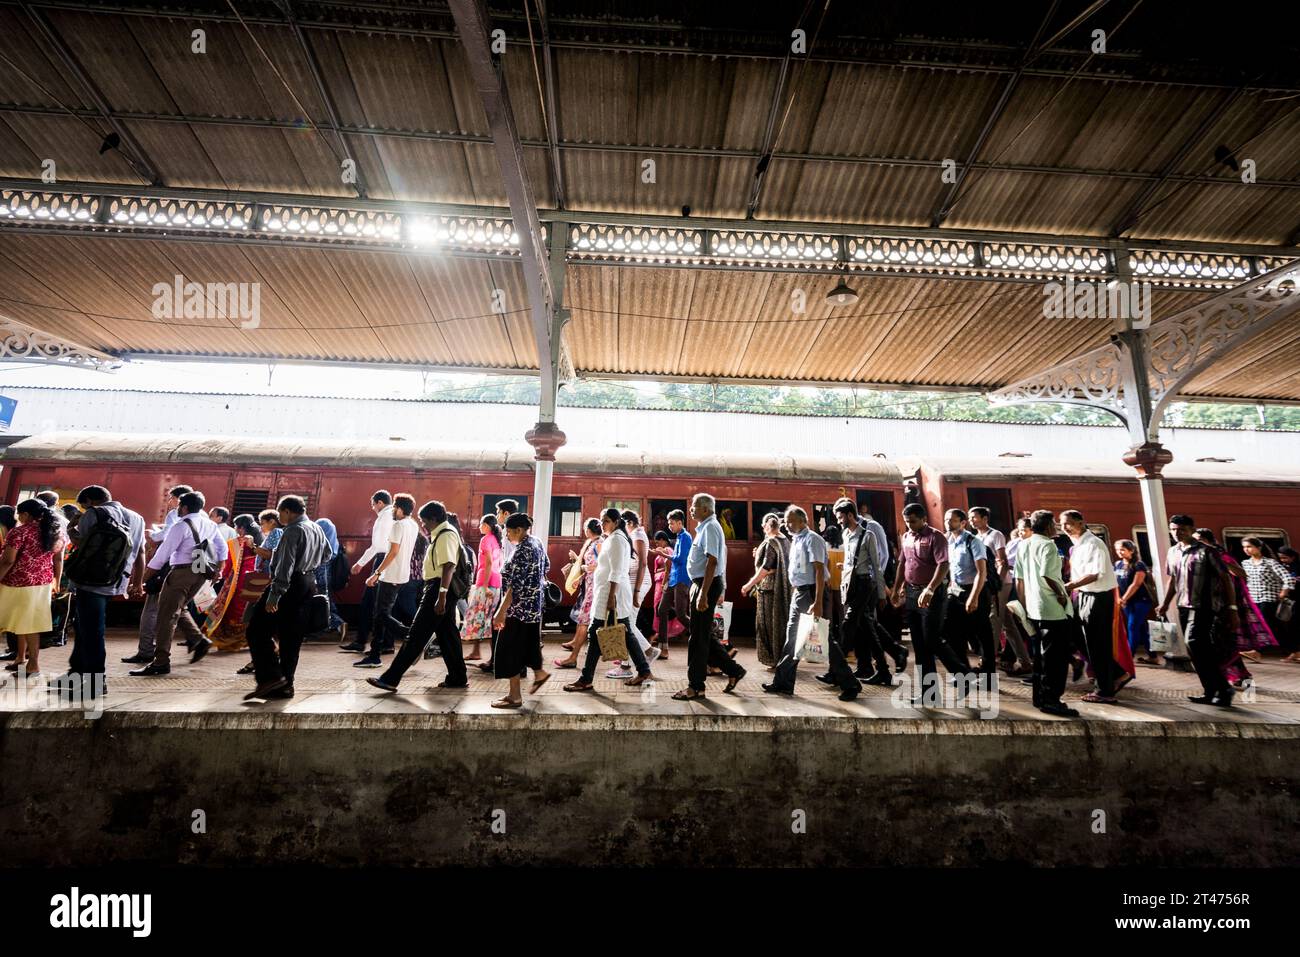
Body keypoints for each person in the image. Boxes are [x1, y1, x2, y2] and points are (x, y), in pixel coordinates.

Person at [366, 500, 470, 694]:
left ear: (434, 518)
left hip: (438, 590)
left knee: (416, 636)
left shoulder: (446, 535)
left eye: (424, 521)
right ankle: (458, 677)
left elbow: (449, 566)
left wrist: (441, 597)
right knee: (448, 636)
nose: (422, 524)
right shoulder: (441, 533)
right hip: (438, 589)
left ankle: (390, 678)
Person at [56, 486, 146, 700]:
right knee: (84, 627)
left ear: (89, 501)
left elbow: (81, 544)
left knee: (93, 631)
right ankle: (75, 674)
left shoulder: (93, 514)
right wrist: (138, 582)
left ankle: (97, 681)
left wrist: (71, 528)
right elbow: (140, 551)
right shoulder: (138, 518)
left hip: (91, 581)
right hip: (117, 579)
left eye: (83, 505)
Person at [763, 505, 858, 701]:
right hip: (800, 593)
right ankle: (784, 683)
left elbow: (819, 571)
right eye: (785, 522)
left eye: (790, 522)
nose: (786, 525)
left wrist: (817, 602)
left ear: (802, 520)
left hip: (812, 592)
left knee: (823, 639)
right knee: (792, 639)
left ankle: (850, 683)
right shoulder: (796, 540)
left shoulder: (812, 539)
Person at [131, 490, 228, 676]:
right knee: (180, 608)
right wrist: (219, 570)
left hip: (182, 572)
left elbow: (162, 556)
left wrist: (141, 580)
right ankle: (198, 640)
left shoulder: (180, 526)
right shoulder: (209, 524)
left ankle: (161, 662)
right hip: (201, 573)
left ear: (183, 507)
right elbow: (222, 548)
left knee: (165, 617)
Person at [242, 496, 330, 700]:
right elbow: (328, 553)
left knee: (256, 630)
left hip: (289, 585)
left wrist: (275, 594)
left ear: (288, 511)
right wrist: (310, 563)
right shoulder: (316, 527)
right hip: (308, 583)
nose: (280, 517)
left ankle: (270, 678)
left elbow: (285, 566)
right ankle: (286, 685)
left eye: (281, 512)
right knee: (292, 636)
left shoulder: (292, 530)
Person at [565, 508, 654, 692]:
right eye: (601, 520)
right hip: (608, 593)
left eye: (605, 520)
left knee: (596, 632)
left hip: (610, 595)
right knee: (625, 634)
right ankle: (643, 670)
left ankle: (586, 678)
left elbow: (617, 571)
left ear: (615, 521)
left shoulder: (617, 540)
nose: (602, 523)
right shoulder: (614, 538)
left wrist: (611, 597)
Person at [1156, 515, 1239, 707]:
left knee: (1193, 641)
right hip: (1183, 606)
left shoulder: (1207, 551)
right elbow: (1172, 579)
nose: (1177, 533)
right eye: (1174, 529)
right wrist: (1165, 603)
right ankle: (1211, 691)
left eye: (1182, 529)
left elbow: (1226, 578)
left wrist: (1232, 608)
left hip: (1205, 606)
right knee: (1196, 649)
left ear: (1192, 529)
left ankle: (1223, 688)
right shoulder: (1173, 552)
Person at [891, 503, 970, 702]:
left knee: (931, 639)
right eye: (907, 522)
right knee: (919, 645)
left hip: (932, 595)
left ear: (923, 519)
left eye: (913, 521)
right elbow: (903, 563)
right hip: (911, 594)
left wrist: (930, 589)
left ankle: (962, 675)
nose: (909, 525)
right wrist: (896, 588)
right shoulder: (906, 536)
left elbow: (943, 564)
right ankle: (929, 693)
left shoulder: (936, 537)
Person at [672, 494, 744, 700]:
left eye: (694, 507)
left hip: (706, 584)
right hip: (701, 583)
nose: (691, 510)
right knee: (700, 633)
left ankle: (696, 686)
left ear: (705, 509)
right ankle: (733, 670)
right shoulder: (704, 527)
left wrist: (703, 593)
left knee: (698, 639)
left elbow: (713, 561)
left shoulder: (711, 527)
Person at [1013, 510, 1078, 717]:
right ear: (1049, 526)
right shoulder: (1048, 545)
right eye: (1054, 524)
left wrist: (1025, 605)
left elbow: (1019, 580)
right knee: (1055, 658)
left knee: (1040, 656)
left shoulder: (1024, 544)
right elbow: (1048, 575)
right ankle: (1052, 700)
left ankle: (1039, 697)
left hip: (1033, 607)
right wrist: (1060, 594)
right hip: (1052, 608)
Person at [1059, 510, 1128, 703]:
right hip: (1083, 595)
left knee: (1098, 644)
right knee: (1080, 639)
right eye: (1062, 524)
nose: (1065, 527)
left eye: (1069, 523)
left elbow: (1095, 573)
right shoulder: (1078, 545)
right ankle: (1117, 673)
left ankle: (1104, 691)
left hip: (1097, 597)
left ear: (1081, 523)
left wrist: (1069, 585)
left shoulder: (1094, 543)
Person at [122, 483, 192, 666]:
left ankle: (150, 653)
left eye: (172, 498)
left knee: (153, 611)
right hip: (187, 572)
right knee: (173, 611)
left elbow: (165, 543)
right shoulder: (203, 520)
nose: (170, 502)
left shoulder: (177, 517)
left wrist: (141, 579)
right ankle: (196, 640)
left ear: (180, 500)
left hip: (166, 568)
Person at [485, 512, 550, 707]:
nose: (506, 536)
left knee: (508, 648)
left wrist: (501, 611)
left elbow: (515, 586)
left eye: (508, 532)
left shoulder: (522, 550)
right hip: (534, 607)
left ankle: (514, 696)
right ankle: (539, 674)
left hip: (518, 609)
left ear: (519, 530)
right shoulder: (536, 542)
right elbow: (547, 566)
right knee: (528, 644)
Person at [832, 498, 897, 686]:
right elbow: (850, 562)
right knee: (868, 630)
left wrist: (882, 593)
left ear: (850, 515)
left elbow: (876, 566)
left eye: (840, 517)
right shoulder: (845, 535)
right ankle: (884, 671)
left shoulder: (869, 535)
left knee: (847, 625)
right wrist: (843, 567)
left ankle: (836, 671)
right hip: (851, 586)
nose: (839, 521)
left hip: (864, 585)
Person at [1194, 528, 1273, 683]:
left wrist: (1221, 562)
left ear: (1206, 541)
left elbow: (1241, 574)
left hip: (1225, 606)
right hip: (1209, 604)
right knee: (1218, 642)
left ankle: (1237, 675)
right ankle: (1235, 675)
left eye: (1198, 540)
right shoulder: (1199, 555)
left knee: (1224, 641)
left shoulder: (1221, 555)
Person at [0, 499, 64, 679]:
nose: (18, 518)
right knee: (26, 620)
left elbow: (8, 560)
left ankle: (33, 664)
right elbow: (58, 559)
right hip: (42, 582)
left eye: (19, 514)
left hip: (18, 583)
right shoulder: (56, 532)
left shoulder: (20, 532)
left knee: (28, 624)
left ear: (26, 514)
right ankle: (21, 658)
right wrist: (56, 581)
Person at [354, 493, 420, 667]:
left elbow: (392, 553)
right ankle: (376, 653)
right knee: (383, 614)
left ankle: (411, 636)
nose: (393, 510)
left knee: (381, 614)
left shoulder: (398, 525)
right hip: (402, 575)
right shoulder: (413, 525)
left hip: (390, 575)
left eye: (395, 507)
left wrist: (376, 573)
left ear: (399, 508)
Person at [606, 509, 658, 679]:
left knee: (627, 624)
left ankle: (628, 664)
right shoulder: (636, 534)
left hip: (639, 584)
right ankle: (646, 652)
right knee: (628, 623)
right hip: (634, 583)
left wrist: (635, 592)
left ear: (629, 523)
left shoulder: (637, 536)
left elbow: (643, 564)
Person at [942, 507, 994, 675]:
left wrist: (974, 597)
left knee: (982, 633)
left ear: (963, 523)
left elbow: (982, 572)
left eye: (951, 520)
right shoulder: (948, 541)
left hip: (976, 590)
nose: (947, 523)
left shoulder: (973, 541)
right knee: (953, 632)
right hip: (956, 591)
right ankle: (962, 670)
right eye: (946, 520)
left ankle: (988, 673)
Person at [341, 490, 394, 653]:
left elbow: (377, 546)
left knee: (369, 604)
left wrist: (360, 563)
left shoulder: (384, 517)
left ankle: (368, 641)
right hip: (387, 561)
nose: (373, 508)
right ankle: (382, 642)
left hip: (381, 560)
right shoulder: (393, 516)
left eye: (373, 505)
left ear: (380, 503)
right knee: (381, 605)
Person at [740, 513, 790, 668]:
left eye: (763, 524)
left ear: (770, 525)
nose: (762, 527)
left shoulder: (771, 542)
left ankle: (773, 659)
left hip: (769, 589)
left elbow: (766, 567)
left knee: (767, 625)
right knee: (781, 623)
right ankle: (782, 658)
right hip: (783, 589)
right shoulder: (785, 540)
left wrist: (749, 584)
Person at [555, 518, 602, 669]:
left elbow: (600, 565)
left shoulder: (598, 544)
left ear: (588, 530)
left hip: (595, 587)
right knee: (585, 620)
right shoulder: (593, 543)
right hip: (590, 585)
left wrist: (582, 568)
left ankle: (573, 658)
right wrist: (581, 577)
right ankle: (576, 654)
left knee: (583, 620)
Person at [462, 514, 503, 661]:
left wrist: (485, 586)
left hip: (486, 584)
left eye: (481, 524)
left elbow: (489, 563)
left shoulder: (486, 539)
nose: (479, 527)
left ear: (487, 526)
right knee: (488, 619)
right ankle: (481, 653)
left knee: (479, 619)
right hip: (496, 583)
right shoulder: (497, 539)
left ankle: (488, 656)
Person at [999, 516, 1036, 675]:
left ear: (1032, 530)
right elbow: (1005, 562)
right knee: (1014, 622)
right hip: (1014, 585)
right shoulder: (1014, 543)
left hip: (1030, 588)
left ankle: (1017, 660)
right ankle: (1015, 659)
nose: (1021, 533)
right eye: (1019, 530)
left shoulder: (1037, 545)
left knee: (1025, 624)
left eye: (1025, 530)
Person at [1115, 539, 1158, 665]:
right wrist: (1119, 598)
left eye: (1122, 550)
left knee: (1132, 627)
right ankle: (1153, 656)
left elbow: (1136, 584)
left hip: (1141, 601)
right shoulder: (1117, 565)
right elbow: (1115, 583)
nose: (1119, 552)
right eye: (1117, 550)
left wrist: (1124, 598)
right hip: (1126, 602)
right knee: (1141, 628)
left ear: (1131, 550)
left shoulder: (1139, 565)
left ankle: (1129, 656)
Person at [1241, 536, 1288, 643]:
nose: (1246, 549)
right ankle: (1292, 649)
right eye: (1244, 547)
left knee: (1267, 624)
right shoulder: (1245, 563)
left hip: (1269, 599)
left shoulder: (1271, 562)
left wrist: (1283, 592)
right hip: (1253, 599)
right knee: (1260, 625)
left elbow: (1287, 578)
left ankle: (1292, 649)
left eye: (1249, 546)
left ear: (1259, 547)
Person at [656, 509, 691, 641]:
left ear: (680, 523)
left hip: (681, 579)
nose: (669, 526)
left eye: (671, 523)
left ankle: (705, 635)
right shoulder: (680, 536)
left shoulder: (685, 537)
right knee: (662, 609)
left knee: (681, 615)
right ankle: (663, 646)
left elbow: (680, 559)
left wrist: (663, 554)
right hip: (674, 578)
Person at [651, 529, 684, 656]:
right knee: (659, 609)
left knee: (660, 609)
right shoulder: (663, 550)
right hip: (659, 582)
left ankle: (660, 638)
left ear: (663, 540)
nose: (657, 544)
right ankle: (660, 638)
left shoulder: (668, 550)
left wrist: (665, 583)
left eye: (658, 541)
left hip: (663, 582)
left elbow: (668, 567)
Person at [312, 518, 346, 640]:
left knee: (321, 598)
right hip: (327, 574)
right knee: (326, 598)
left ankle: (337, 622)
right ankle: (334, 624)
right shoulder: (333, 544)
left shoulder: (322, 548)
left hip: (320, 573)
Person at [1278, 546, 1299, 662]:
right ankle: (1295, 652)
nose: (1282, 560)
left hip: (1297, 600)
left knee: (1294, 625)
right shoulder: (1283, 567)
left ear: (1293, 557)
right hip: (1290, 601)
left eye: (1285, 558)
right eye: (1281, 558)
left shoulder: (1298, 567)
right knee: (1291, 625)